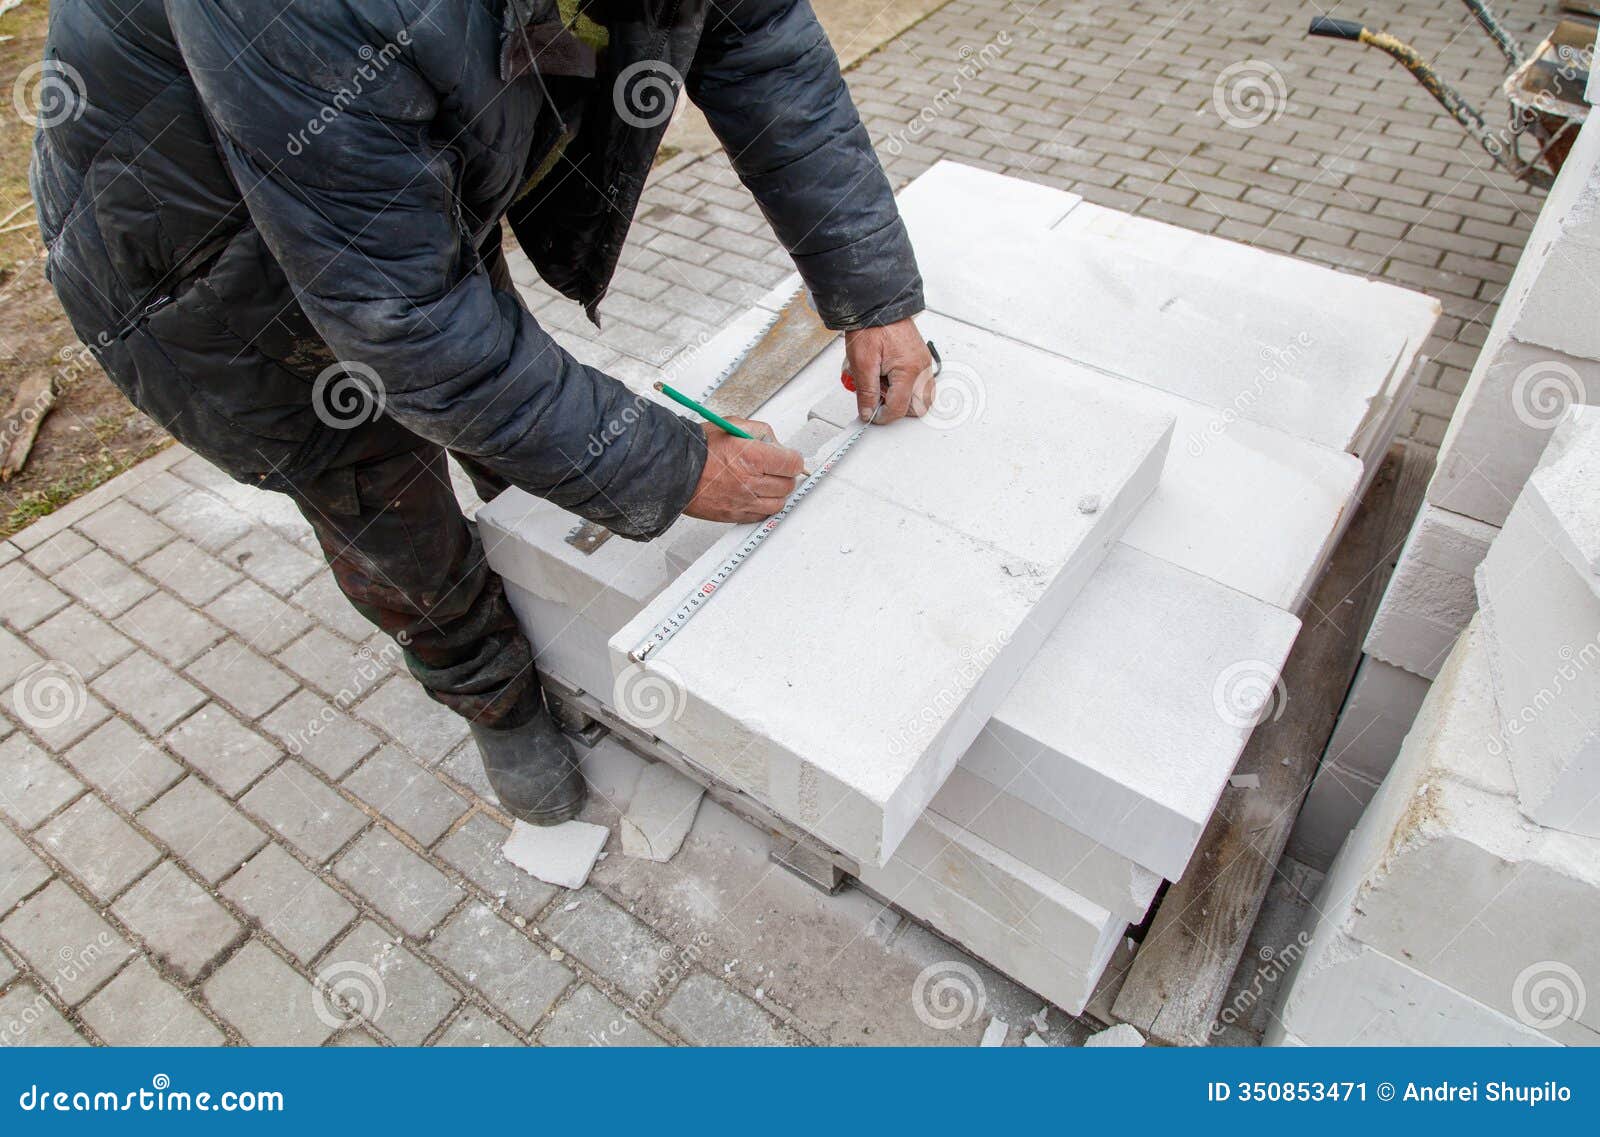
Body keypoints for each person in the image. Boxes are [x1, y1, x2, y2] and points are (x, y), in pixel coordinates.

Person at [31, 0, 933, 825]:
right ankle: (489, 687)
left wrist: (870, 289)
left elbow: (757, 40)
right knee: (379, 492)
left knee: (514, 420)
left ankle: (554, 585)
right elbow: (414, 328)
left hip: (376, 196)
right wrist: (678, 467)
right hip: (209, 270)